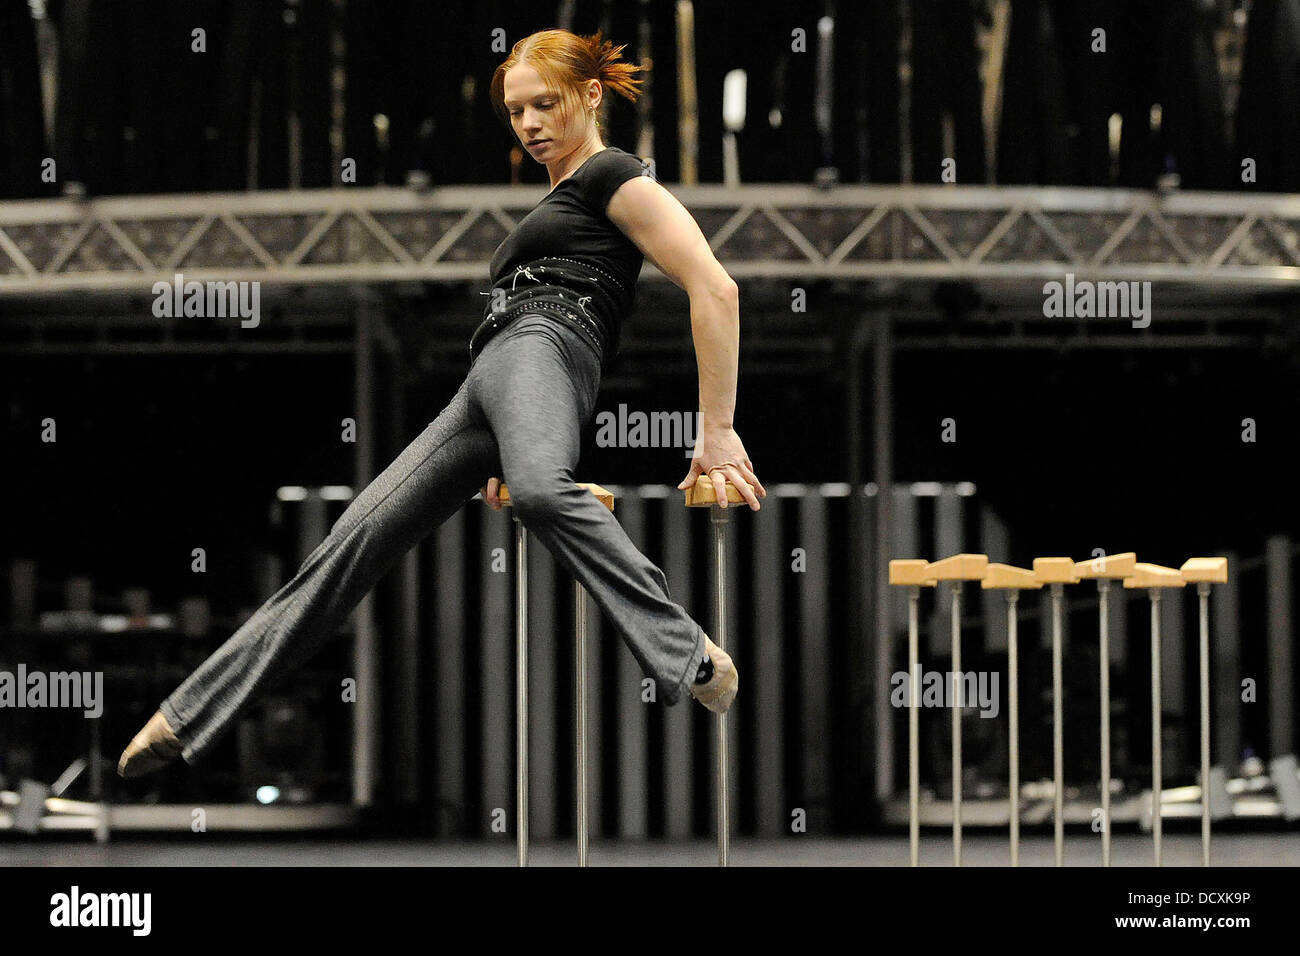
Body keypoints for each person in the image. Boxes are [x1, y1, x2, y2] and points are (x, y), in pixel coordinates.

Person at [118, 28, 765, 778]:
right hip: (491, 380)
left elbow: (717, 289)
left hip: (544, 343)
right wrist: (519, 434)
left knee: (543, 493)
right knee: (351, 543)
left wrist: (715, 430)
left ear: (591, 95)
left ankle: (689, 653)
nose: (527, 125)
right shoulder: (560, 193)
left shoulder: (615, 177)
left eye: (544, 104)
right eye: (515, 112)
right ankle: (185, 715)